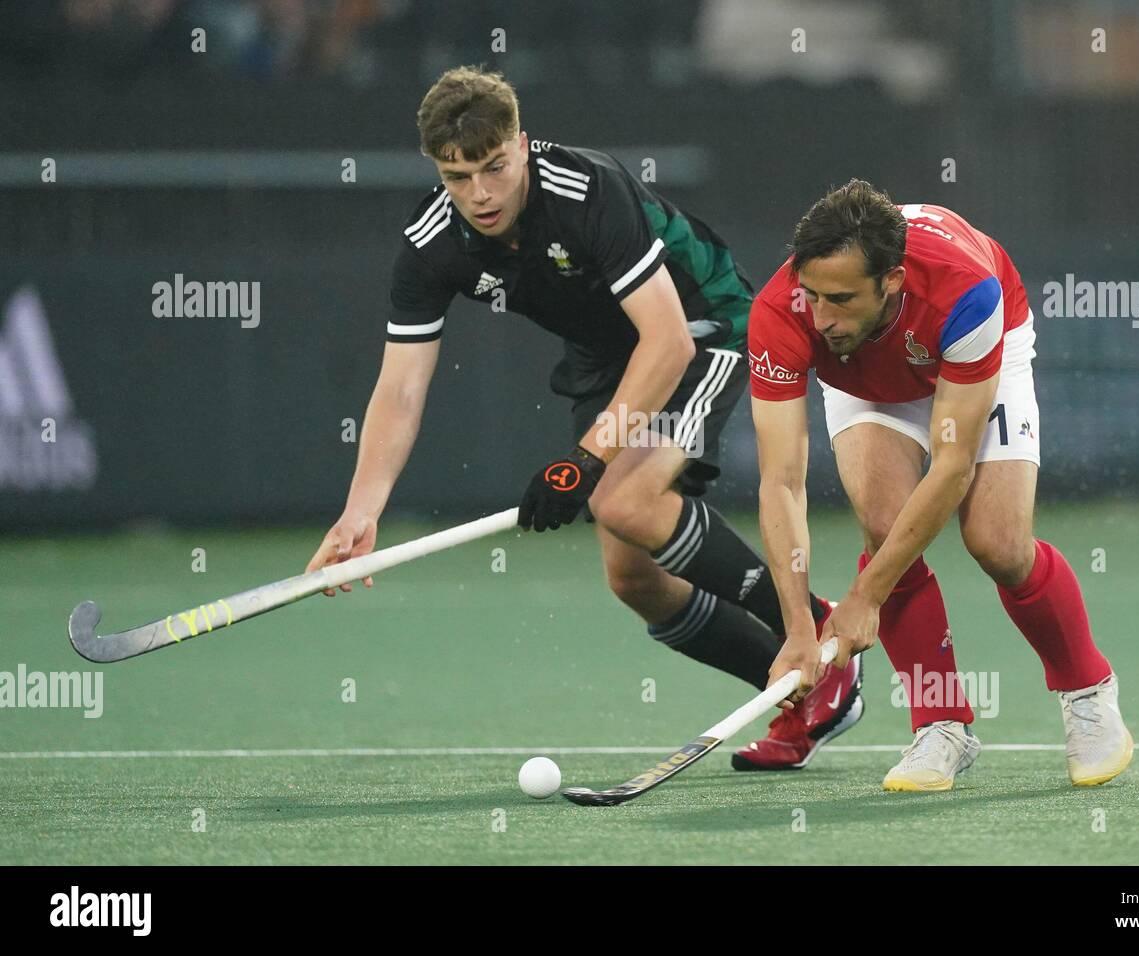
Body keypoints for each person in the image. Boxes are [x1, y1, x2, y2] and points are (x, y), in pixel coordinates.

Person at [305, 67, 863, 770]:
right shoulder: (431, 241)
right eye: (456, 176)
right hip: (607, 359)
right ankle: (800, 693)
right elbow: (401, 390)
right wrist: (361, 512)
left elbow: (667, 341)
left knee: (624, 498)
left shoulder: (586, 190)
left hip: (701, 324)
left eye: (493, 167)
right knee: (634, 579)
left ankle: (814, 629)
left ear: (523, 145)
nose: (479, 193)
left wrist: (587, 458)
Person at [748, 180, 1133, 790]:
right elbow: (782, 481)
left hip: (972, 355)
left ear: (892, 280)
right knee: (883, 524)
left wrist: (865, 597)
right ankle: (941, 724)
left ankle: (1087, 689)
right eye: (812, 296)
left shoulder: (965, 291)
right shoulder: (781, 313)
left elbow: (953, 467)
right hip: (863, 380)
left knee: (999, 544)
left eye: (841, 299)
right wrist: (799, 625)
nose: (821, 319)